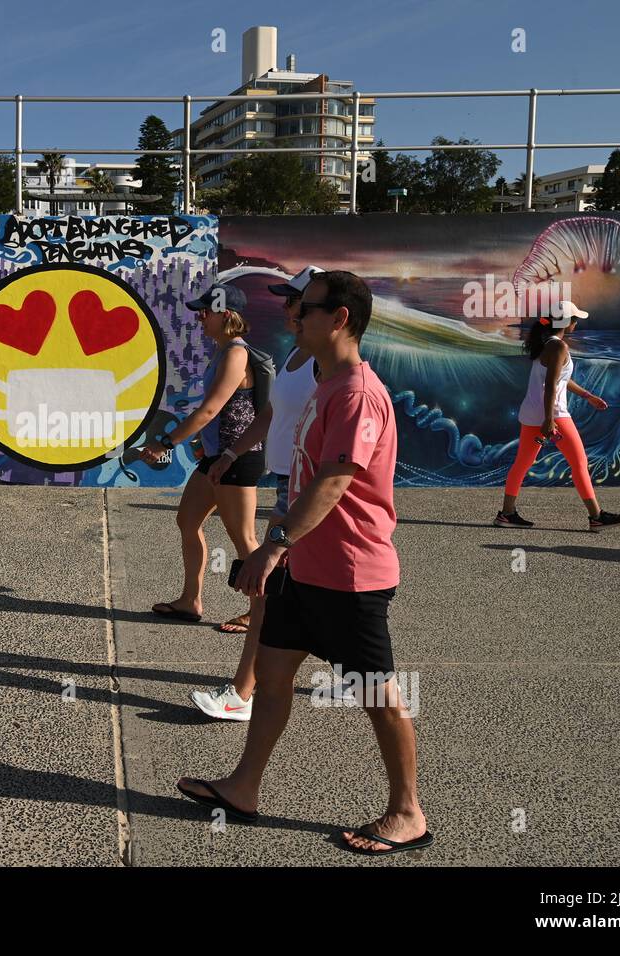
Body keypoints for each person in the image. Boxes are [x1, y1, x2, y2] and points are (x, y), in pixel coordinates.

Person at [177, 271, 434, 855]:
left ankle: (407, 812)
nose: (294, 318)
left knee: (377, 694)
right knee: (271, 677)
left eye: (306, 310)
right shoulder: (324, 381)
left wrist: (274, 544)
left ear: (339, 318)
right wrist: (284, 541)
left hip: (349, 572)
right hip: (305, 565)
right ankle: (243, 788)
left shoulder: (356, 393)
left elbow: (337, 478)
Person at [189, 265, 325, 721]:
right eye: (286, 301)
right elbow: (267, 415)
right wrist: (231, 454)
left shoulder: (330, 367)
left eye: (293, 301)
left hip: (310, 487)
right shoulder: (294, 356)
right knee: (310, 590)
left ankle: (242, 694)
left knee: (277, 584)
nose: (285, 308)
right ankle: (355, 673)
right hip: (288, 481)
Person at [139, 282, 266, 639]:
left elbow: (210, 409)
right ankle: (190, 601)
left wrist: (167, 442)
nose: (200, 318)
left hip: (236, 458)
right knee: (187, 520)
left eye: (205, 312)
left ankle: (263, 612)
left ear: (226, 315)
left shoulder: (236, 354)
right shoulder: (222, 351)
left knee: (245, 540)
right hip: (215, 458)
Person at [496, 300, 620, 531]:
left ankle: (506, 514)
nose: (577, 323)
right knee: (579, 463)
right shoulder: (559, 347)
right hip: (554, 416)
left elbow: (560, 380)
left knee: (522, 463)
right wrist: (549, 420)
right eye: (575, 319)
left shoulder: (547, 344)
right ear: (567, 322)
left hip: (532, 414)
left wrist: (588, 395)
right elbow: (550, 385)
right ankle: (596, 516)